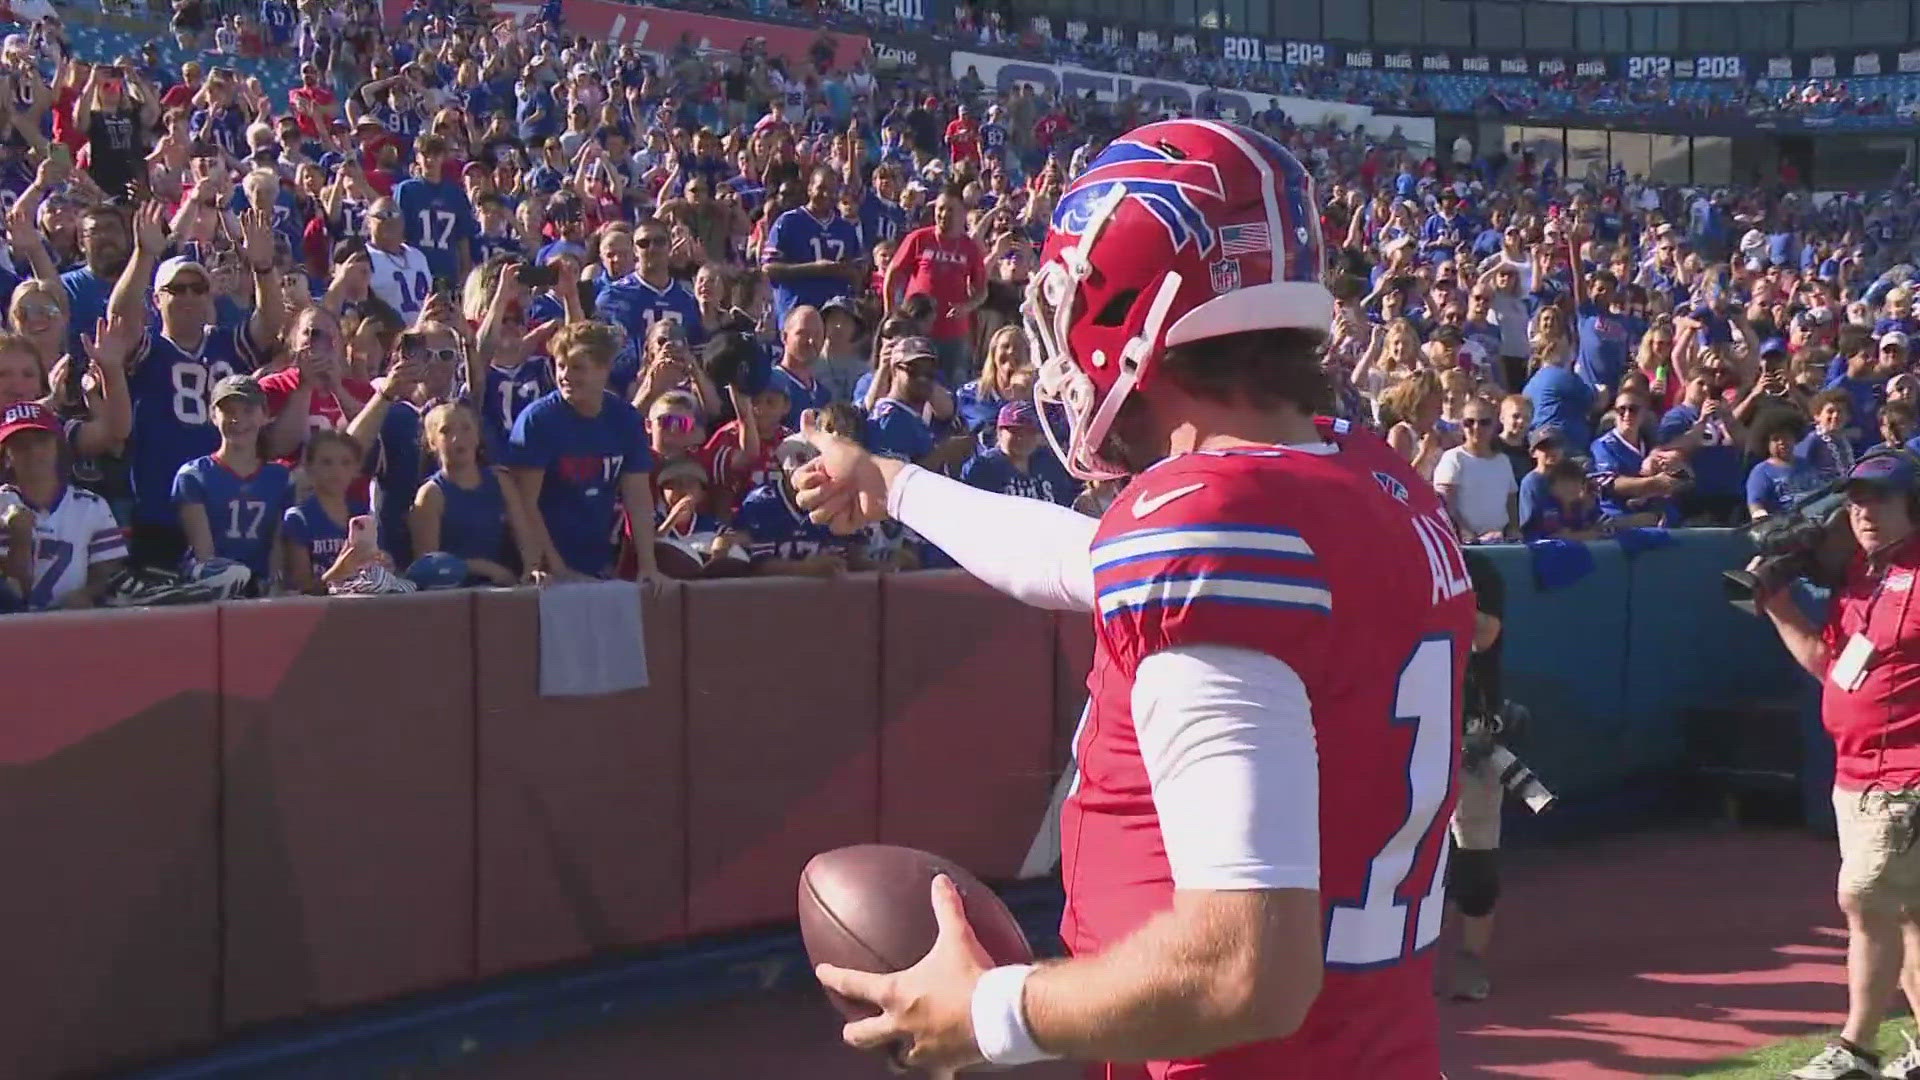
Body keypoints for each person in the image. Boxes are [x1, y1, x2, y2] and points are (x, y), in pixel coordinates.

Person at [798, 120, 1475, 1078]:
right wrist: (895, 485)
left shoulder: (1211, 529)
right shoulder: (1364, 480)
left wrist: (991, 1010)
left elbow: (1247, 974)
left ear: (1130, 309)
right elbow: (1087, 559)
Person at [1754, 452, 1920, 1080]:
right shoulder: (1857, 575)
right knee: (1906, 912)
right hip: (1854, 772)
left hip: (1908, 771)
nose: (1865, 511)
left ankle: (1856, 1051)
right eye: (1857, 499)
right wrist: (1775, 603)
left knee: (1865, 898)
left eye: (1881, 498)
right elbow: (1832, 667)